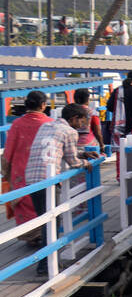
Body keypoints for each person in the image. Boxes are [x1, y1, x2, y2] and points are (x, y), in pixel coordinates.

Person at [25, 103, 92, 276]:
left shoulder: (47, 125)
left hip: (32, 178)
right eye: (82, 121)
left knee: (46, 220)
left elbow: (57, 148)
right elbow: (73, 161)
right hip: (48, 179)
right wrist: (85, 162)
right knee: (53, 222)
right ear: (74, 119)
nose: (83, 125)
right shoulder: (70, 131)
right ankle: (46, 265)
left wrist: (82, 153)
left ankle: (45, 261)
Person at [2, 90, 53, 239]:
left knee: (24, 203)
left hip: (21, 172)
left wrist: (6, 173)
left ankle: (30, 237)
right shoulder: (50, 124)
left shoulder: (17, 124)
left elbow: (8, 152)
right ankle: (46, 236)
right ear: (43, 105)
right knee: (45, 205)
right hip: (44, 171)